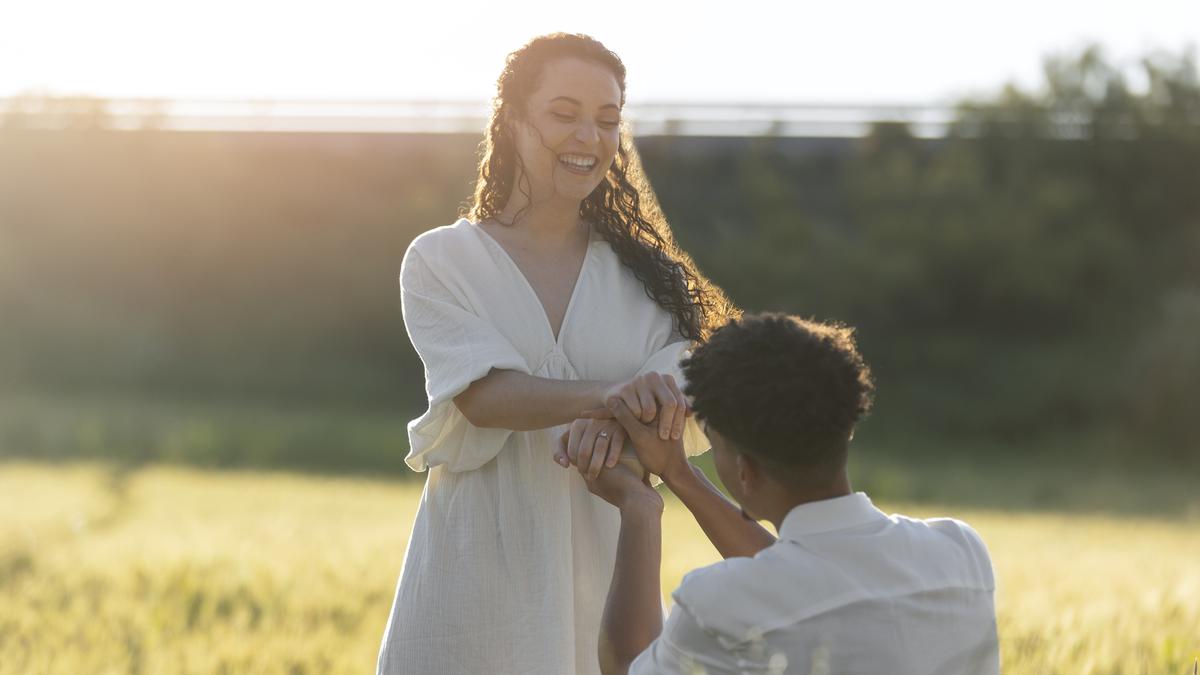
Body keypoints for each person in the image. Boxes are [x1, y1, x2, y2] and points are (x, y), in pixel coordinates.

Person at [376, 33, 739, 674]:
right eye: (563, 114)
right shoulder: (441, 260)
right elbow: (484, 397)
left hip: (607, 586)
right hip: (471, 586)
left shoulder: (653, 281)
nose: (589, 138)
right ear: (513, 120)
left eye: (607, 120)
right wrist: (613, 397)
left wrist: (630, 408)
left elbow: (674, 402)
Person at [561, 312, 1000, 674]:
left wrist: (639, 506)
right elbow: (812, 575)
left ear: (745, 471)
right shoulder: (960, 553)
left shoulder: (716, 604)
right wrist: (678, 472)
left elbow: (628, 665)